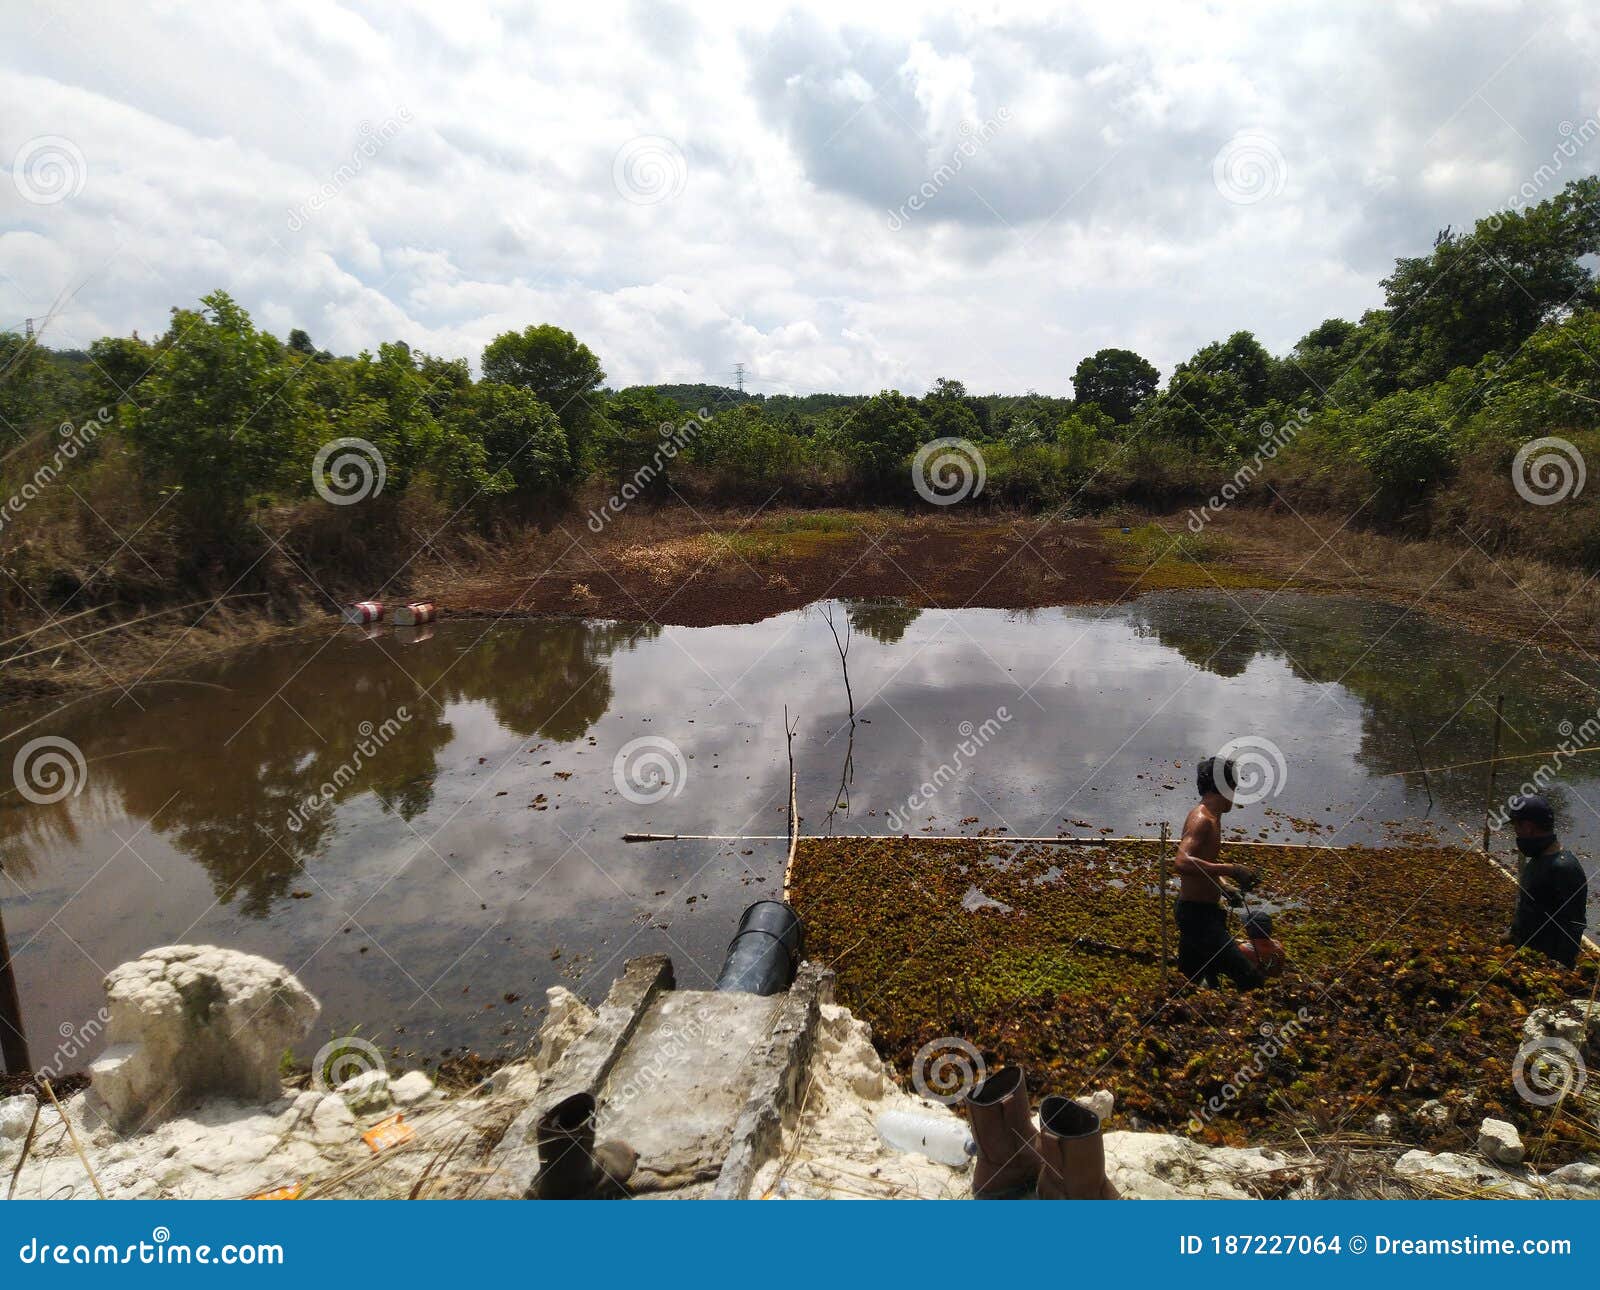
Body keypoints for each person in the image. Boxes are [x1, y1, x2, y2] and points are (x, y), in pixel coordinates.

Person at [1172, 755, 1264, 989]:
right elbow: (1182, 861)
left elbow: (1202, 862)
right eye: (1234, 787)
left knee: (1187, 984)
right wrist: (1231, 869)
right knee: (1249, 978)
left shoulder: (1214, 817)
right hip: (1198, 918)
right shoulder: (1202, 820)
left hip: (1202, 913)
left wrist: (1223, 885)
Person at [1504, 794, 1588, 968]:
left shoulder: (1565, 868)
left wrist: (1562, 965)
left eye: (1517, 827)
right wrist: (1512, 934)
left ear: (1528, 827)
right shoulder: (1537, 860)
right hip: (1526, 956)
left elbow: (1574, 923)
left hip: (1545, 962)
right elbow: (1528, 907)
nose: (1517, 834)